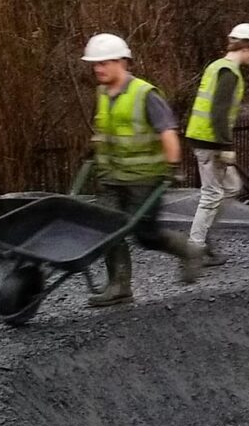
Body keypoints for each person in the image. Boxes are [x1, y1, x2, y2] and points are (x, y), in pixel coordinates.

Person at [83, 33, 202, 307]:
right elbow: (106, 128)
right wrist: (93, 149)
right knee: (108, 229)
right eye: (96, 64)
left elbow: (168, 132)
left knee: (146, 235)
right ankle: (119, 286)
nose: (98, 69)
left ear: (122, 62)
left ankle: (189, 251)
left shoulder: (145, 94)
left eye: (105, 63)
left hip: (144, 178)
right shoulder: (102, 92)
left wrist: (172, 167)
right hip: (112, 175)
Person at [184, 24, 249, 265]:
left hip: (206, 138)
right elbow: (218, 112)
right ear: (247, 46)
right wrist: (225, 146)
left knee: (232, 186)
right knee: (212, 195)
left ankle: (204, 234)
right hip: (209, 141)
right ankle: (195, 249)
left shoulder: (217, 66)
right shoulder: (228, 72)